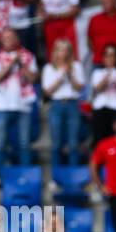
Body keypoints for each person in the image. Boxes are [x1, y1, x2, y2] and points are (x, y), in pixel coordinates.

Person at [0, 28, 36, 166]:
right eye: (4, 38)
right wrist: (10, 65)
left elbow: (33, 79)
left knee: (24, 143)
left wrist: (21, 65)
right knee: (0, 142)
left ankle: (25, 173)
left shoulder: (28, 56)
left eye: (10, 37)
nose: (7, 41)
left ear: (17, 39)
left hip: (23, 105)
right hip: (3, 105)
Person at [42, 37, 84, 165]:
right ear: (55, 52)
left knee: (73, 143)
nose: (63, 53)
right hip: (56, 105)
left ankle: (73, 172)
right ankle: (56, 173)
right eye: (60, 49)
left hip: (73, 104)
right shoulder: (49, 68)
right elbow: (47, 91)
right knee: (56, 143)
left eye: (66, 50)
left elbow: (79, 88)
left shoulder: (77, 66)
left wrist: (70, 75)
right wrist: (61, 77)